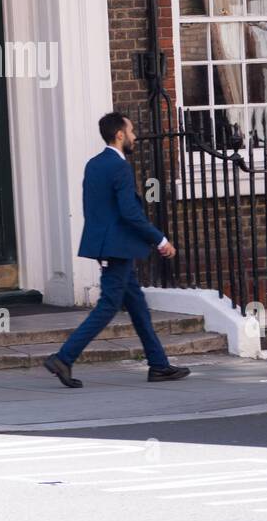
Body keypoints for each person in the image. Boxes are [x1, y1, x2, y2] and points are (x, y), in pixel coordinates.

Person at [44, 112, 190, 388]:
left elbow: (94, 209)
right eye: (131, 131)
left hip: (108, 246)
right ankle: (63, 357)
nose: (135, 136)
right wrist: (160, 240)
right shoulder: (120, 167)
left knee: (138, 307)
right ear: (120, 135)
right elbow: (129, 212)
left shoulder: (94, 164)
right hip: (118, 248)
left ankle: (158, 365)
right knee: (108, 306)